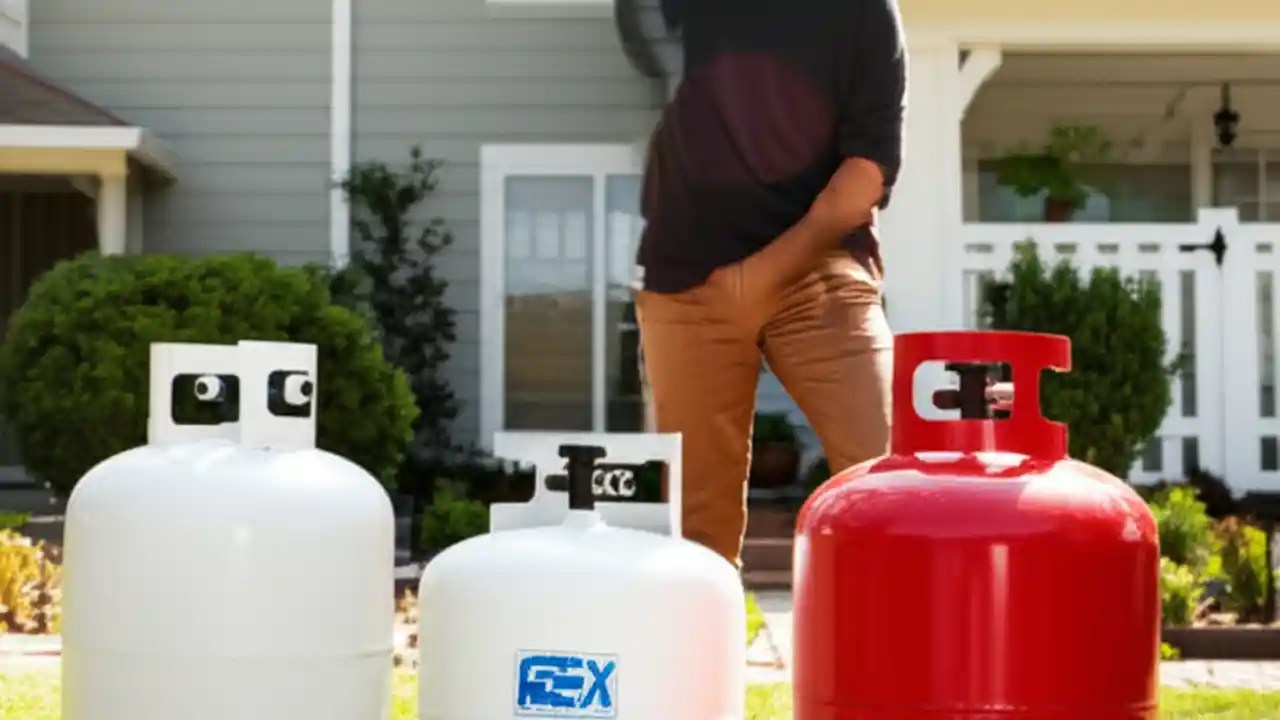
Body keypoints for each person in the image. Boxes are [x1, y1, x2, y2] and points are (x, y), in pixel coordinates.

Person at [636, 0, 908, 567]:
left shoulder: (866, 13)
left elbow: (868, 171)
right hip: (690, 275)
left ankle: (894, 647)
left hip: (820, 269)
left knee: (891, 476)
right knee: (695, 535)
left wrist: (762, 275)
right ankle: (698, 654)